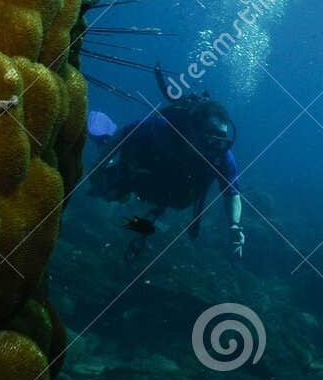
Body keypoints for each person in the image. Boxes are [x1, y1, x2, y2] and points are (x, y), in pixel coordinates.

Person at [86, 87, 245, 259]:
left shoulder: (221, 155)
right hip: (143, 173)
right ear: (192, 127)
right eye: (210, 135)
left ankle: (146, 213)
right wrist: (99, 166)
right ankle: (104, 139)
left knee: (166, 202)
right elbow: (127, 132)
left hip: (172, 192)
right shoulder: (164, 129)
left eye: (221, 138)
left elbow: (232, 193)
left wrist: (234, 225)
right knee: (109, 194)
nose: (214, 144)